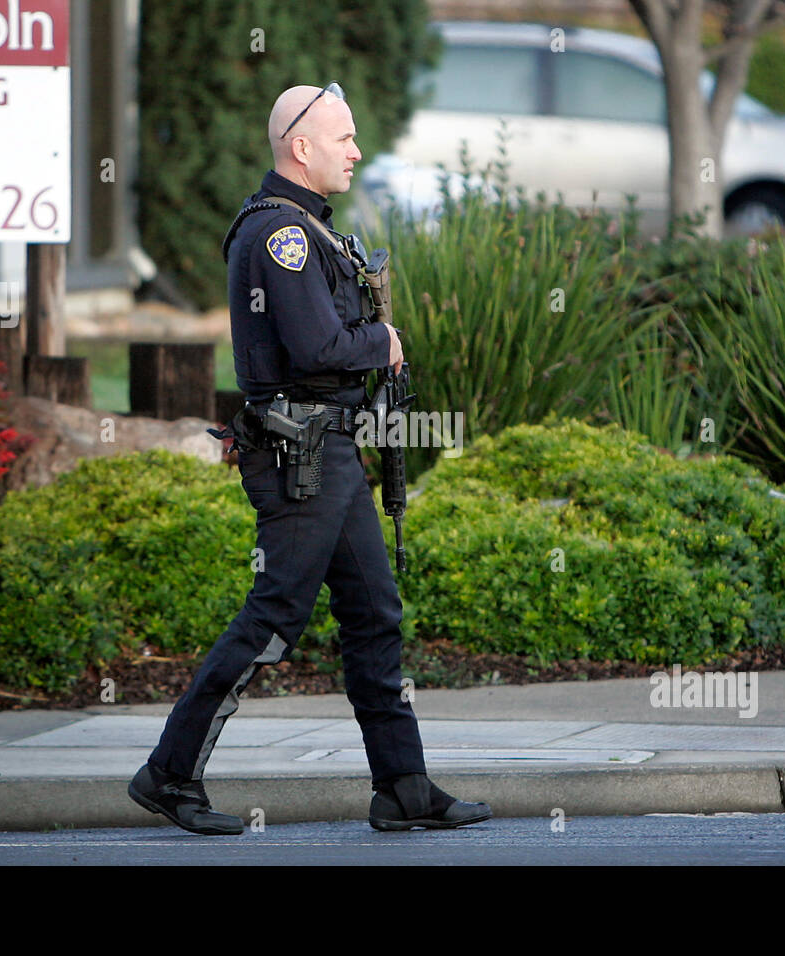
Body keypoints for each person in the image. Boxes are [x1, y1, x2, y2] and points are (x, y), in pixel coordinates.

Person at [128, 83, 490, 834]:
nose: (356, 151)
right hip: (301, 459)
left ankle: (403, 788)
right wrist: (382, 343)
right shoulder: (281, 238)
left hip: (329, 453)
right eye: (345, 138)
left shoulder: (305, 230)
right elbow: (318, 346)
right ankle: (169, 773)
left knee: (374, 613)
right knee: (274, 616)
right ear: (301, 147)